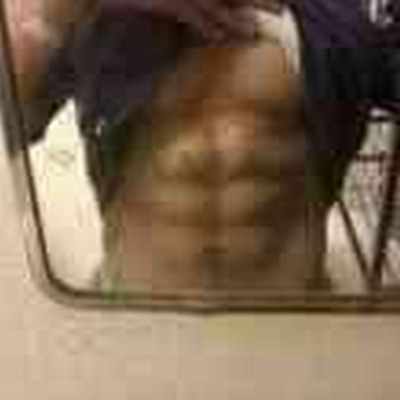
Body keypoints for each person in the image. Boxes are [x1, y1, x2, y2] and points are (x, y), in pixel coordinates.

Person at [6, 0, 371, 295]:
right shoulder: (106, 20)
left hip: (293, 318)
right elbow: (11, 121)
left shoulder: (328, 22)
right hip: (130, 312)